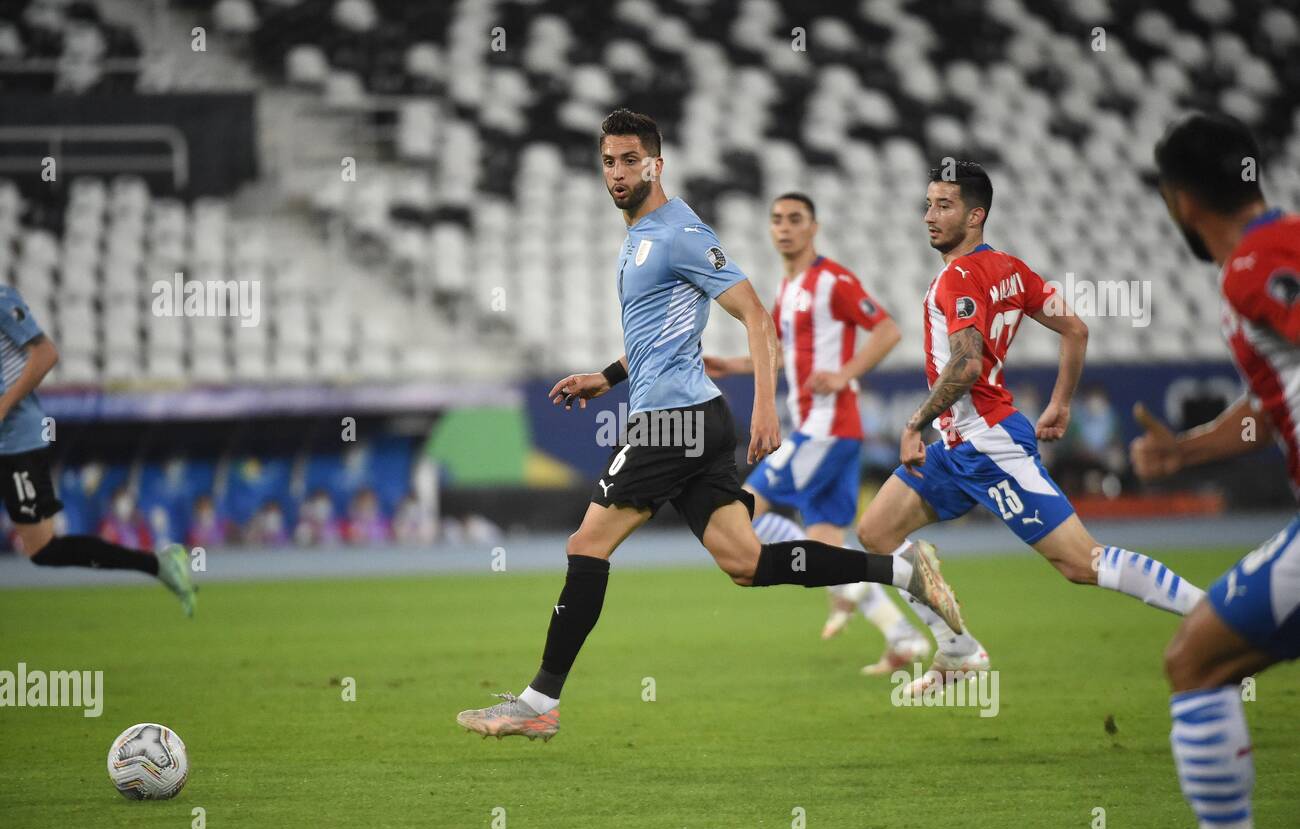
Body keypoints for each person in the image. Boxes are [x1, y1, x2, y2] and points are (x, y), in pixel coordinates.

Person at [455, 109, 963, 741]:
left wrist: (767, 404)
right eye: (609, 160)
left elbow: (754, 314)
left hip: (673, 425)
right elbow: (660, 336)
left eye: (630, 160)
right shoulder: (641, 234)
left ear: (656, 165)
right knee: (745, 562)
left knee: (585, 546)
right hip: (690, 420)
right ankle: (902, 572)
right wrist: (606, 378)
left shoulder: (679, 232)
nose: (617, 172)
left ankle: (539, 703)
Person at [854, 160, 1205, 693]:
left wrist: (913, 422)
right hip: (955, 448)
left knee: (1082, 563)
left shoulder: (959, 278)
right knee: (876, 531)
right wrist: (1060, 402)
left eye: (943, 205)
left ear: (977, 215)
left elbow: (967, 364)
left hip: (989, 443)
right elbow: (1076, 328)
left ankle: (1219, 615)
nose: (929, 215)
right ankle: (957, 650)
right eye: (927, 203)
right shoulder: (1013, 270)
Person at [1130, 112, 1298, 829]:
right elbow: (1272, 408)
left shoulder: (1254, 265)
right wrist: (1191, 448)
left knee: (1195, 661)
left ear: (1180, 202)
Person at [705, 191, 929, 670]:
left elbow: (887, 329)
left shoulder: (832, 279)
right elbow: (785, 357)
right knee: (829, 550)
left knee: (742, 511)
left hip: (825, 431)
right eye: (777, 219)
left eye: (795, 219)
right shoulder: (789, 290)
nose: (784, 227)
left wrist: (845, 375)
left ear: (813, 227)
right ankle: (903, 635)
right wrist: (734, 363)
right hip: (828, 434)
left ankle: (891, 580)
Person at [0, 284, 196, 615]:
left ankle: (158, 564)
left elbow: (46, 353)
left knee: (44, 549)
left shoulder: (3, 300)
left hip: (17, 439)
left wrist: (3, 407)